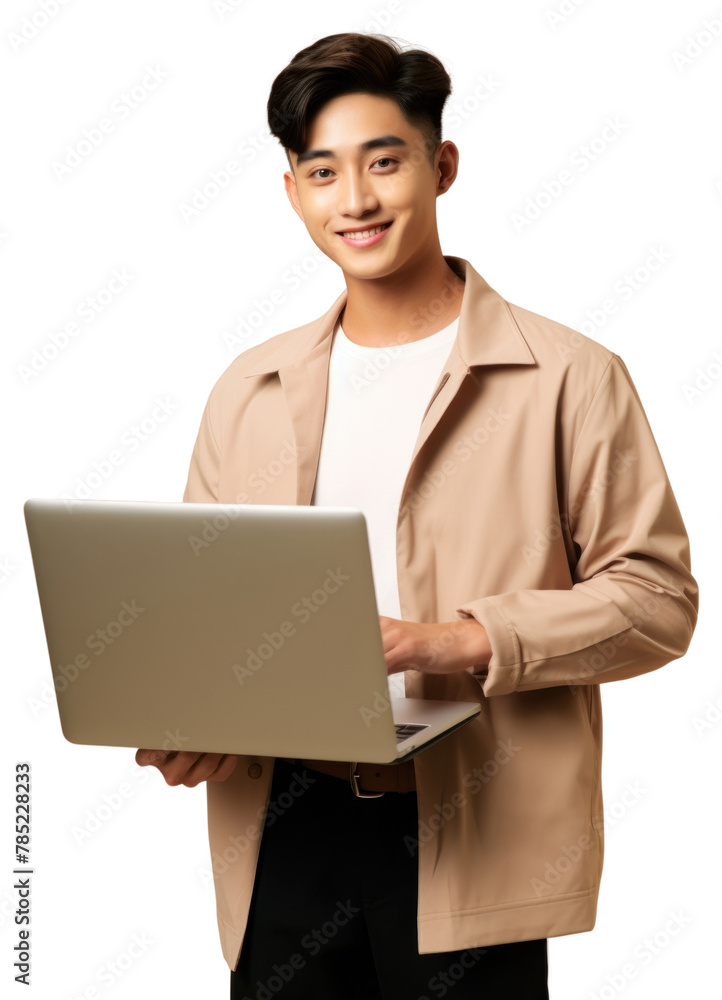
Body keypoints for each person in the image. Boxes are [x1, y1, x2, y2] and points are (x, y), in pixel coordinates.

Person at [136, 31, 698, 999]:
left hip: (470, 835)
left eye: (381, 162)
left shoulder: (568, 377)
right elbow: (210, 622)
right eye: (321, 172)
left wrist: (455, 639)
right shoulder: (249, 389)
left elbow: (656, 600)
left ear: (441, 166)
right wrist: (201, 724)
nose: (352, 200)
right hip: (282, 837)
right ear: (292, 193)